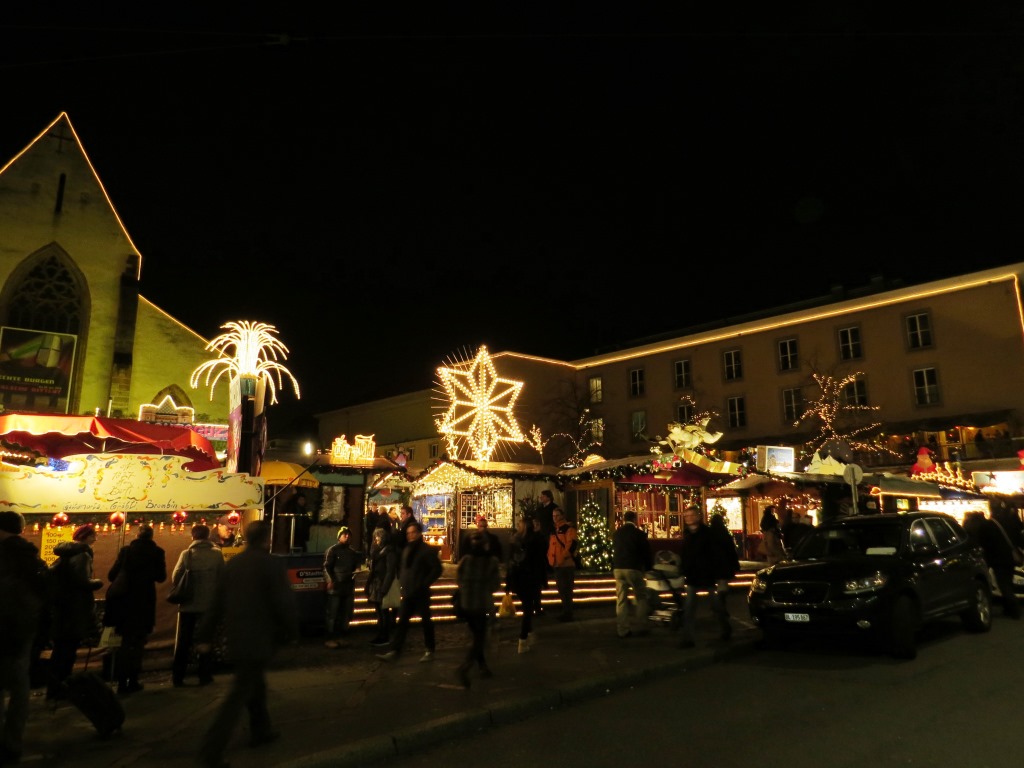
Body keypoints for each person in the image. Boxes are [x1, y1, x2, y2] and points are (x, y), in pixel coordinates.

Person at [195, 520, 299, 768]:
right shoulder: (271, 565)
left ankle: (261, 730)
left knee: (254, 685)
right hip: (259, 637)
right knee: (238, 694)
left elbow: (216, 602)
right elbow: (283, 602)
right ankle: (211, 750)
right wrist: (291, 632)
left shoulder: (234, 564)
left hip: (237, 635)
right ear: (267, 539)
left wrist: (205, 635)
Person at [0, 511, 49, 764]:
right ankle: (12, 742)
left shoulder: (9, 555)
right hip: (21, 628)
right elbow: (42, 591)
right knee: (19, 686)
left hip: (9, 625)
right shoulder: (29, 555)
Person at [105, 524, 167, 695]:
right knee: (138, 642)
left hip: (122, 603)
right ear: (151, 536)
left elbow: (111, 576)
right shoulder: (158, 552)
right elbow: (161, 577)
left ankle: (118, 680)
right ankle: (133, 679)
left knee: (120, 641)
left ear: (138, 535)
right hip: (143, 603)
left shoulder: (126, 551)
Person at [46, 524, 103, 704]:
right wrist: (97, 583)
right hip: (74, 609)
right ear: (86, 537)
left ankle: (54, 688)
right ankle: (62, 688)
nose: (95, 539)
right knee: (67, 651)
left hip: (62, 608)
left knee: (60, 650)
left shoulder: (64, 554)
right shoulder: (83, 555)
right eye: (93, 535)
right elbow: (81, 581)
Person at [376, 521, 443, 663]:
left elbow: (437, 569)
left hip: (420, 593)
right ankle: (395, 650)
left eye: (413, 532)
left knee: (426, 621)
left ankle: (429, 649)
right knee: (403, 622)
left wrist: (424, 583)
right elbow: (404, 569)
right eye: (408, 533)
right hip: (408, 592)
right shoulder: (407, 550)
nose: (410, 535)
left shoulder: (426, 550)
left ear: (419, 533)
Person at [170, 524, 224, 688]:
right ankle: (204, 675)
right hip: (208, 605)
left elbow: (175, 577)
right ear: (208, 536)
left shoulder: (186, 554)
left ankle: (178, 677)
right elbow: (222, 578)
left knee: (184, 642)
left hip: (188, 605)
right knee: (205, 640)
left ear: (193, 536)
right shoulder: (216, 555)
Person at [677, 505, 737, 648]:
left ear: (698, 517)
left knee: (716, 606)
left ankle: (725, 628)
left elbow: (716, 555)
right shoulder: (687, 535)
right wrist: (683, 571)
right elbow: (685, 556)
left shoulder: (708, 534)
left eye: (692, 515)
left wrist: (720, 574)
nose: (689, 518)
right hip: (692, 576)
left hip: (708, 575)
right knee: (689, 609)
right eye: (686, 516)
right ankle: (688, 638)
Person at [454, 530, 501, 688]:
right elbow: (495, 585)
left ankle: (482, 666)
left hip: (467, 604)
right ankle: (466, 666)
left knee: (476, 635)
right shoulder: (491, 562)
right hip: (481, 604)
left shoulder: (466, 560)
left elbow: (458, 579)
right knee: (480, 638)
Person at [964, 511, 1022, 620]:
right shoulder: (995, 524)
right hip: (1008, 558)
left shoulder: (983, 529)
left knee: (1003, 584)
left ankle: (1014, 608)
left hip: (998, 560)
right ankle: (1008, 607)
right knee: (1007, 583)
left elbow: (985, 546)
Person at [505, 514, 547, 653]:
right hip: (530, 578)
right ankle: (523, 639)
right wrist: (543, 579)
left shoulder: (515, 541)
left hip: (518, 579)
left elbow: (510, 564)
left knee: (526, 606)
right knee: (528, 609)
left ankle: (528, 634)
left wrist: (508, 583)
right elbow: (540, 562)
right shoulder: (535, 541)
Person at [612, 510, 653, 638]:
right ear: (635, 519)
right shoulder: (639, 534)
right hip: (633, 567)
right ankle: (642, 625)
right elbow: (646, 552)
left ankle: (622, 629)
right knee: (641, 596)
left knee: (621, 599)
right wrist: (648, 568)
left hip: (618, 568)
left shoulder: (617, 533)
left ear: (624, 519)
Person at [322, 526, 365, 648]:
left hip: (347, 586)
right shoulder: (332, 550)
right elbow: (326, 567)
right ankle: (330, 637)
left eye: (348, 534)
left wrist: (357, 569)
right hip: (336, 586)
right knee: (333, 614)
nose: (347, 536)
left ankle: (342, 636)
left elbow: (356, 564)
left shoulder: (352, 552)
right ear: (339, 536)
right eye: (344, 534)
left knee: (345, 614)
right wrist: (330, 580)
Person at [364, 524, 398, 648]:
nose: (377, 539)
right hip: (377, 583)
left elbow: (390, 571)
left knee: (384, 611)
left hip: (383, 584)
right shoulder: (377, 551)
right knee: (379, 611)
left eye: (379, 537)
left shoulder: (388, 551)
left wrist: (384, 588)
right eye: (375, 537)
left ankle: (385, 635)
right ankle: (382, 634)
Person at [547, 507, 578, 622]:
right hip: (558, 564)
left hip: (565, 564)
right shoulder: (555, 530)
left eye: (557, 516)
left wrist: (563, 556)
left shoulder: (568, 529)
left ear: (562, 516)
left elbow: (572, 545)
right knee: (562, 590)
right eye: (553, 516)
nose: (555, 518)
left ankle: (568, 613)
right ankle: (566, 612)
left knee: (566, 590)